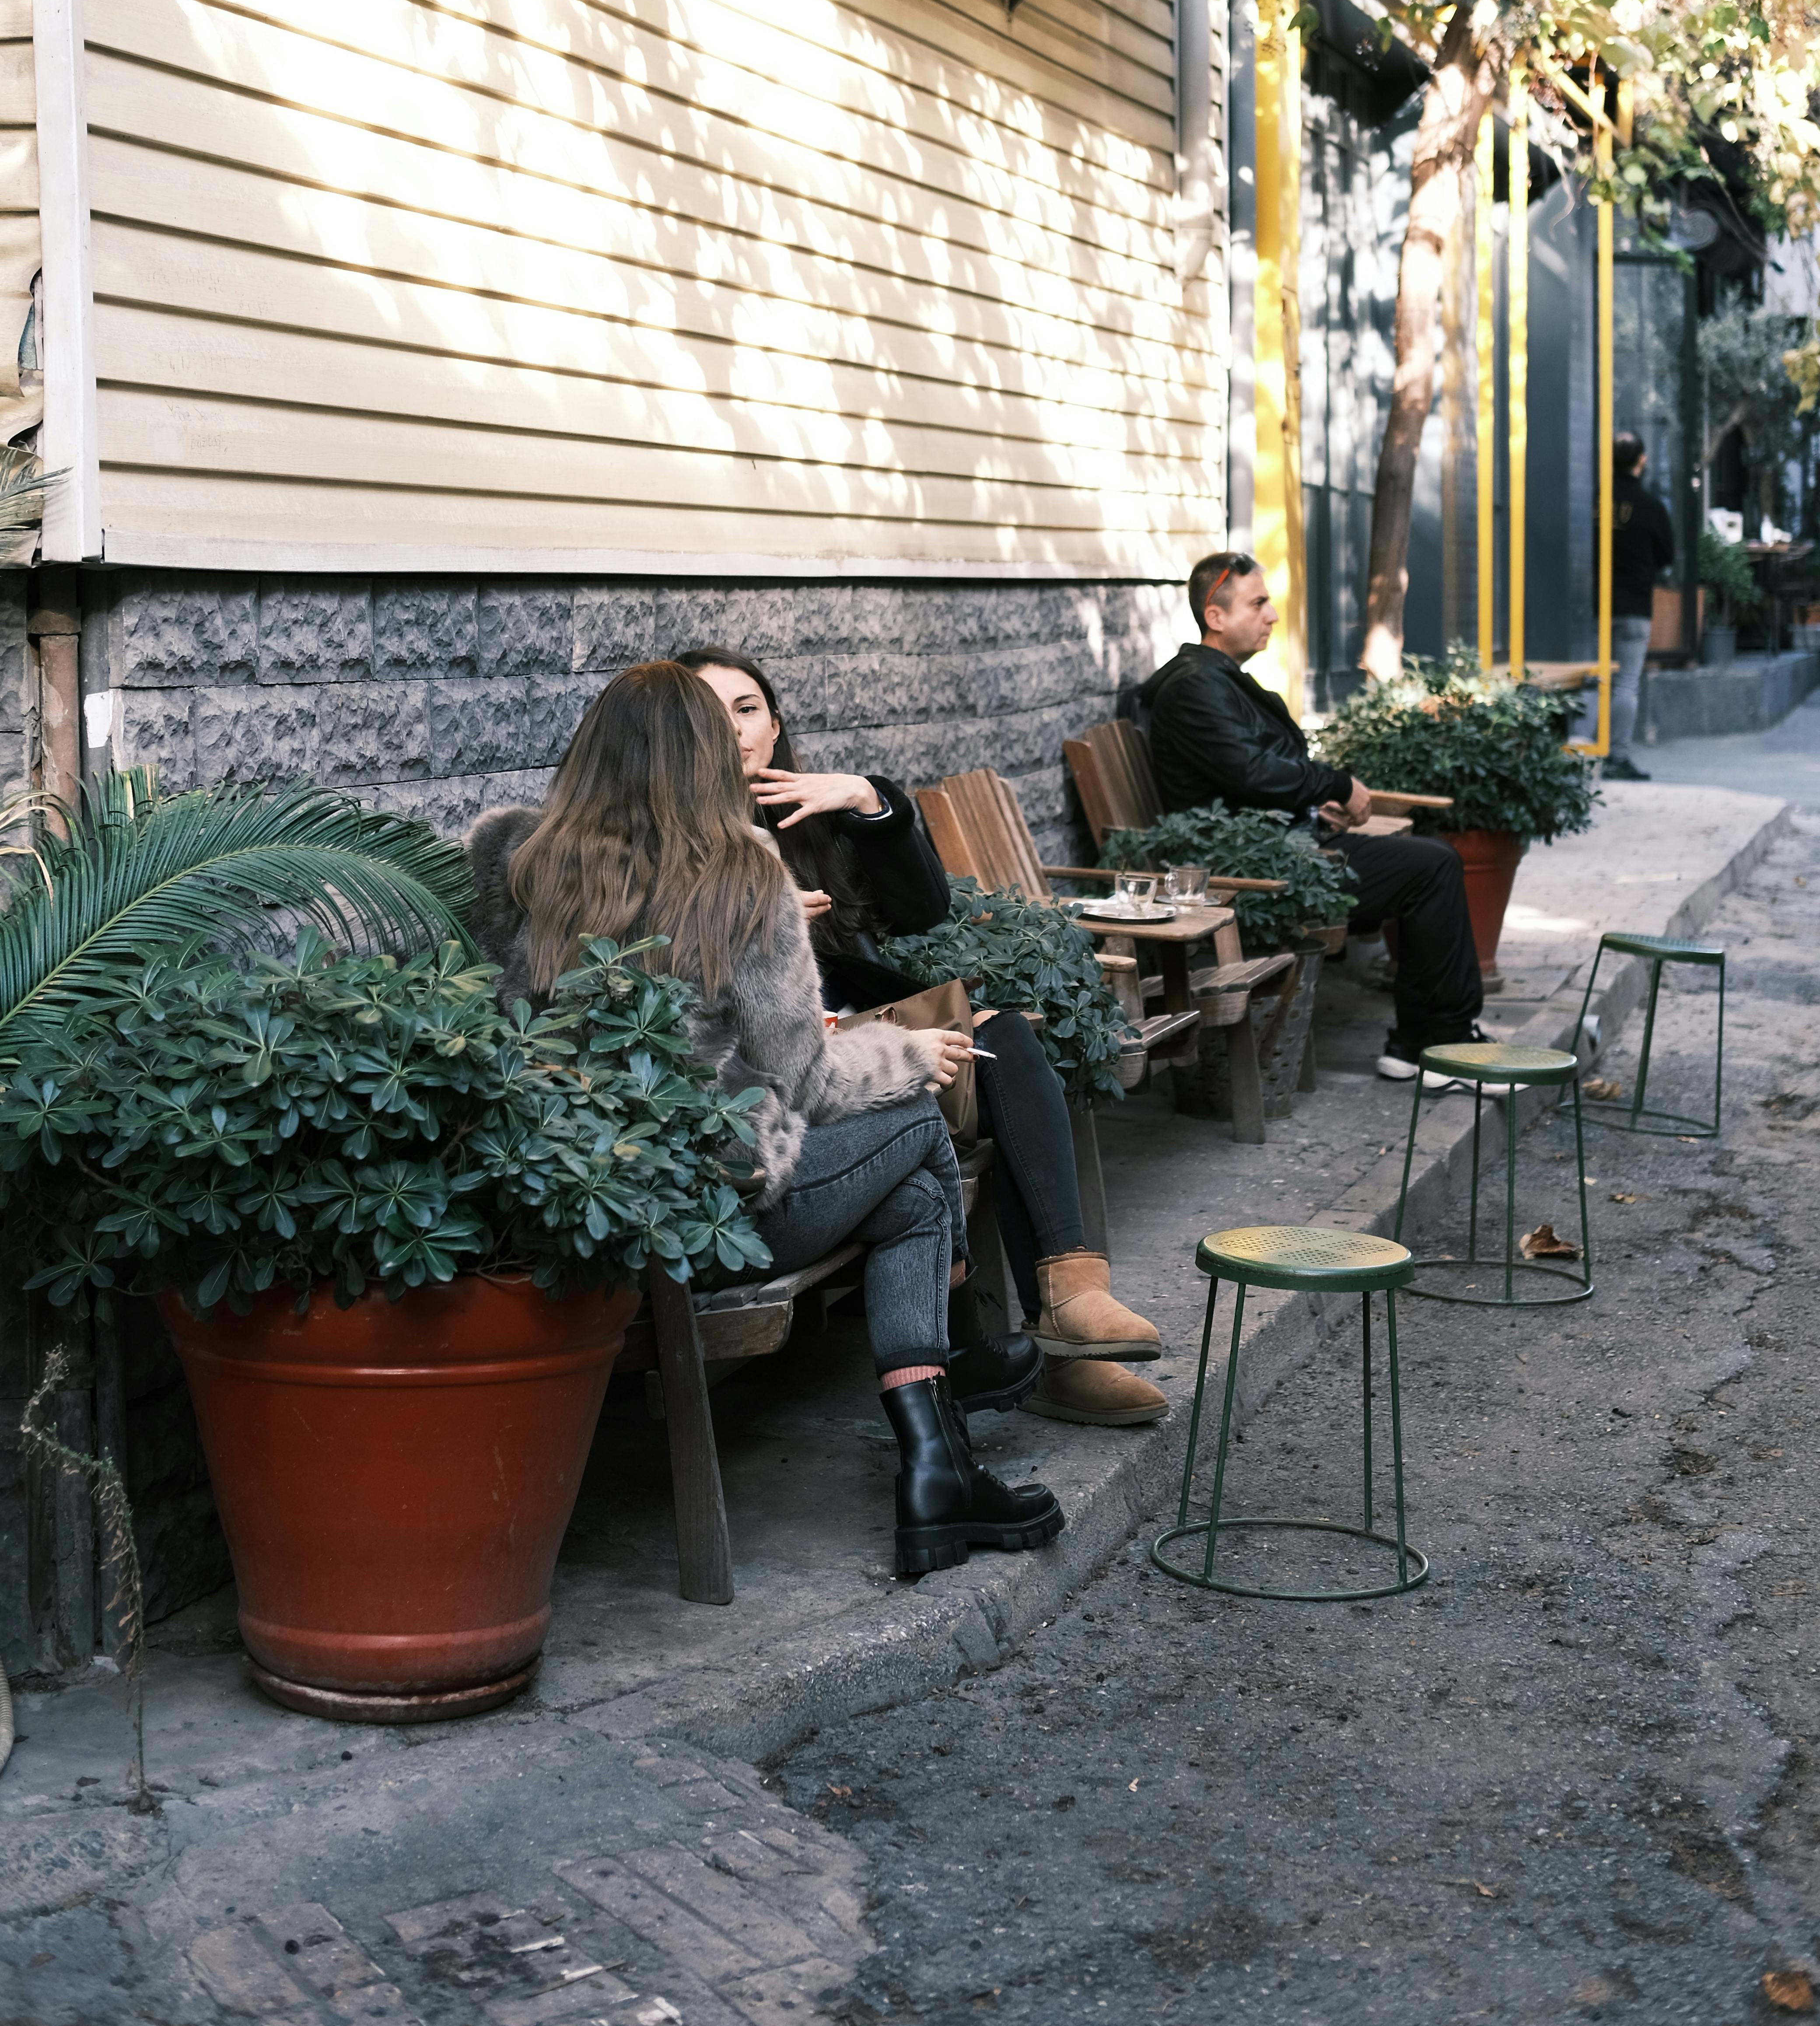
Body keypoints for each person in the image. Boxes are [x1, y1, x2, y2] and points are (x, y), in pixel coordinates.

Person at [464, 661, 1064, 1581]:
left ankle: (942, 1453)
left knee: (908, 1198)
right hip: (712, 1223)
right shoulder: (743, 877)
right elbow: (808, 1080)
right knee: (914, 1128)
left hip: (578, 1201)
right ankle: (946, 1414)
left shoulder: (520, 860)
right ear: (708, 757)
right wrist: (911, 1052)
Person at [672, 645, 1168, 1428]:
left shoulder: (803, 814)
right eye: (707, 712)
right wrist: (748, 926)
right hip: (775, 1075)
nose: (733, 731)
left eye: (747, 709)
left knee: (1000, 1036)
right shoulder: (667, 834)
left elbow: (922, 912)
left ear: (775, 724)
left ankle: (1073, 1306)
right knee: (968, 1070)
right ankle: (1035, 1352)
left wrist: (870, 802)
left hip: (855, 1032)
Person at [1135, 551, 1486, 1082]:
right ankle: (1441, 1044)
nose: (1272, 615)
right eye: (1258, 603)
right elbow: (1250, 773)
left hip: (1269, 848)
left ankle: (1423, 1041)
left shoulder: (1212, 679)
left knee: (1428, 857)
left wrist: (1310, 808)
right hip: (1243, 873)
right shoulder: (1194, 687)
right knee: (1431, 868)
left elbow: (1240, 777)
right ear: (1216, 616)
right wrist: (1337, 784)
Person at [1606, 433, 1675, 782]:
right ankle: (1617, 757)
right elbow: (1667, 556)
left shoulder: (1597, 500)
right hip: (1634, 604)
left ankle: (1589, 748)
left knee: (1598, 679)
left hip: (1598, 606)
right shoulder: (1650, 506)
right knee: (1627, 684)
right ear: (1642, 461)